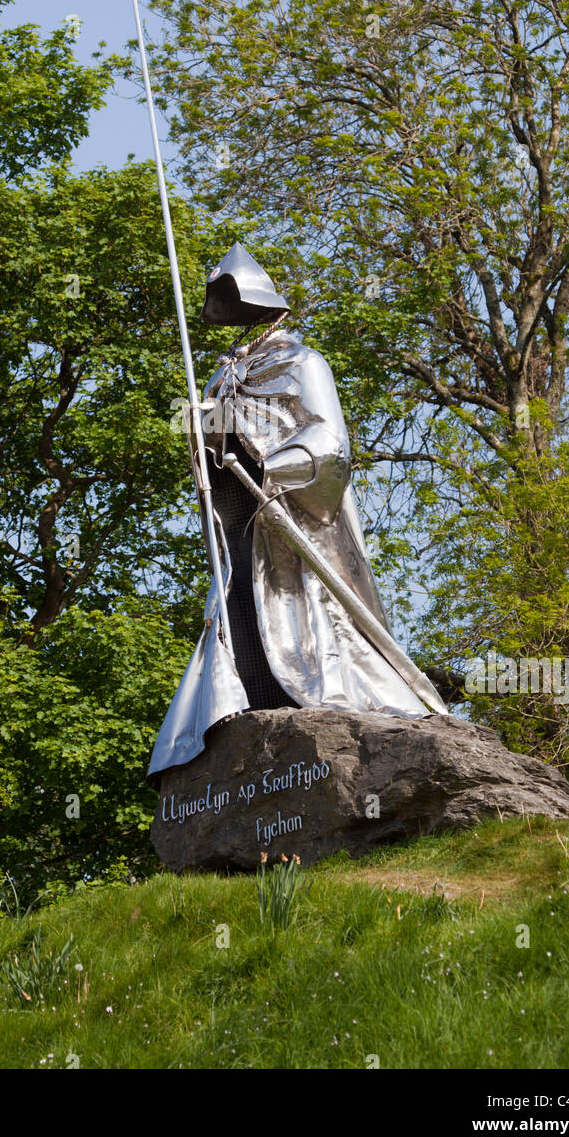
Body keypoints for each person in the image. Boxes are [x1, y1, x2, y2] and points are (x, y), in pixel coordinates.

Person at [147, 243, 445, 781]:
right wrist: (203, 426)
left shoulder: (303, 362)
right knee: (238, 616)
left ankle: (324, 715)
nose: (227, 314)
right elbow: (216, 452)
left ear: (259, 304)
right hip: (238, 527)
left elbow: (330, 443)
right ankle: (249, 722)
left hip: (291, 522)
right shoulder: (224, 376)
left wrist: (272, 469)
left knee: (303, 629)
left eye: (234, 301)